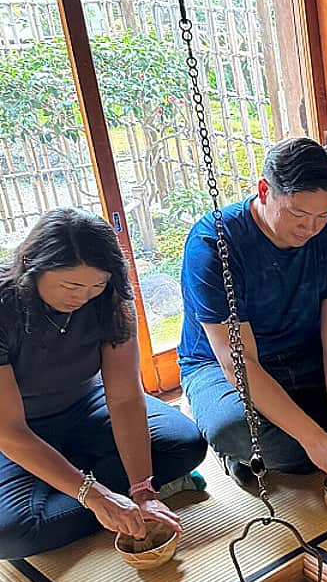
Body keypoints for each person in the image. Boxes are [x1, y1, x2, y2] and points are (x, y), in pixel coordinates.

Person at [178, 138, 327, 487]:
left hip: (309, 352)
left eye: (322, 215)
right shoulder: (214, 244)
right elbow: (237, 362)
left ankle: (313, 436)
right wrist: (316, 440)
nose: (310, 227)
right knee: (233, 429)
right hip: (223, 365)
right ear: (264, 190)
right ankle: (287, 441)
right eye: (298, 213)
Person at [0, 209, 207, 559]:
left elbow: (125, 398)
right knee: (13, 534)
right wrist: (95, 495)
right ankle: (85, 484)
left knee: (185, 445)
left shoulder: (110, 299)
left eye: (96, 285)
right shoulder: (5, 306)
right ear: (32, 264)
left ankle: (83, 484)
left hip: (86, 405)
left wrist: (143, 490)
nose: (83, 296)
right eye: (70, 285)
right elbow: (9, 430)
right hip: (21, 430)